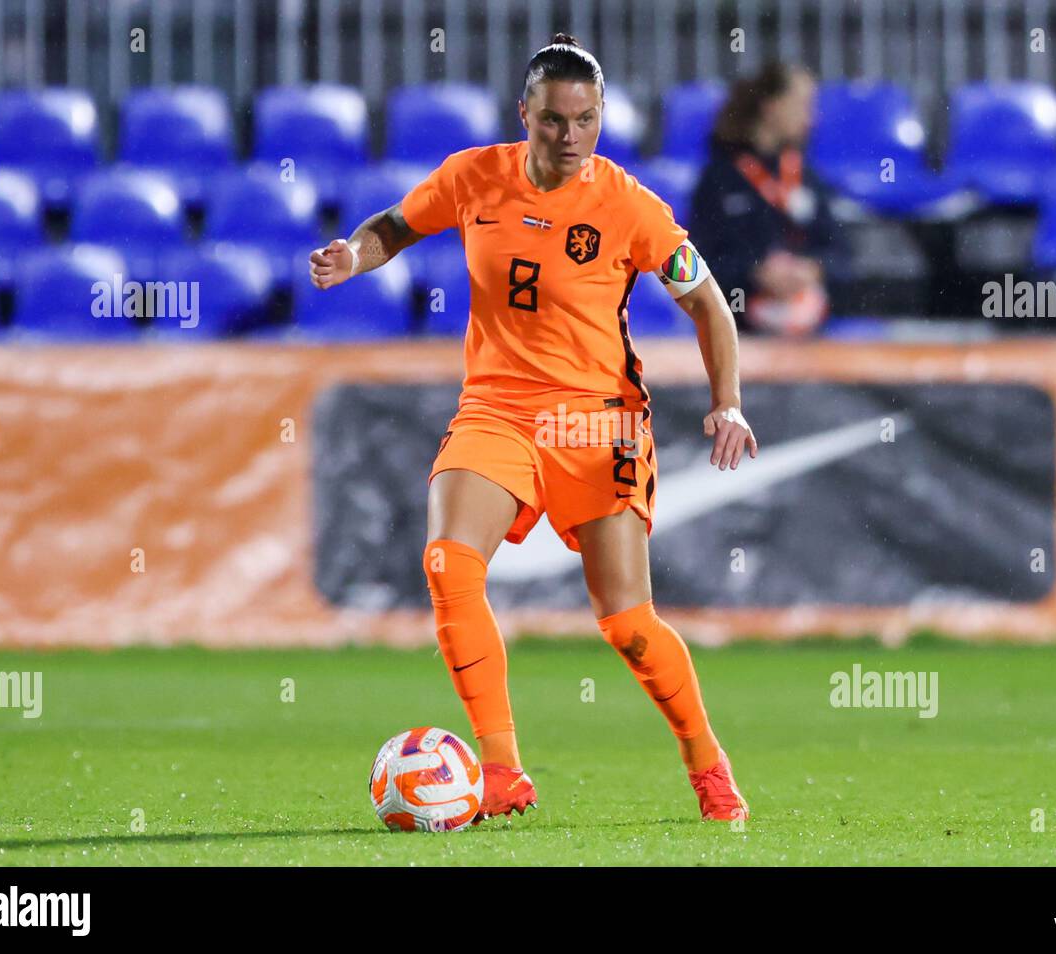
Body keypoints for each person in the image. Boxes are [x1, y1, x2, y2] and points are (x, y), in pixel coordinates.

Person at [309, 35, 755, 823]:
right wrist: (354, 254)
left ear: (601, 118)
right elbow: (395, 225)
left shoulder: (629, 206)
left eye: (586, 120)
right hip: (498, 412)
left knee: (626, 623)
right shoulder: (473, 176)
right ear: (527, 116)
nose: (571, 137)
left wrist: (727, 402)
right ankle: (502, 771)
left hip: (598, 423)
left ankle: (706, 763)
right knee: (449, 562)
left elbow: (709, 303)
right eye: (554, 120)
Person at [688, 63, 849, 336]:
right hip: (738, 333)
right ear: (771, 106)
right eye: (802, 105)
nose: (810, 119)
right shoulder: (719, 178)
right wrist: (756, 274)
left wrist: (813, 270)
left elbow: (842, 255)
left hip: (809, 333)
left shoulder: (805, 175)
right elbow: (697, 263)